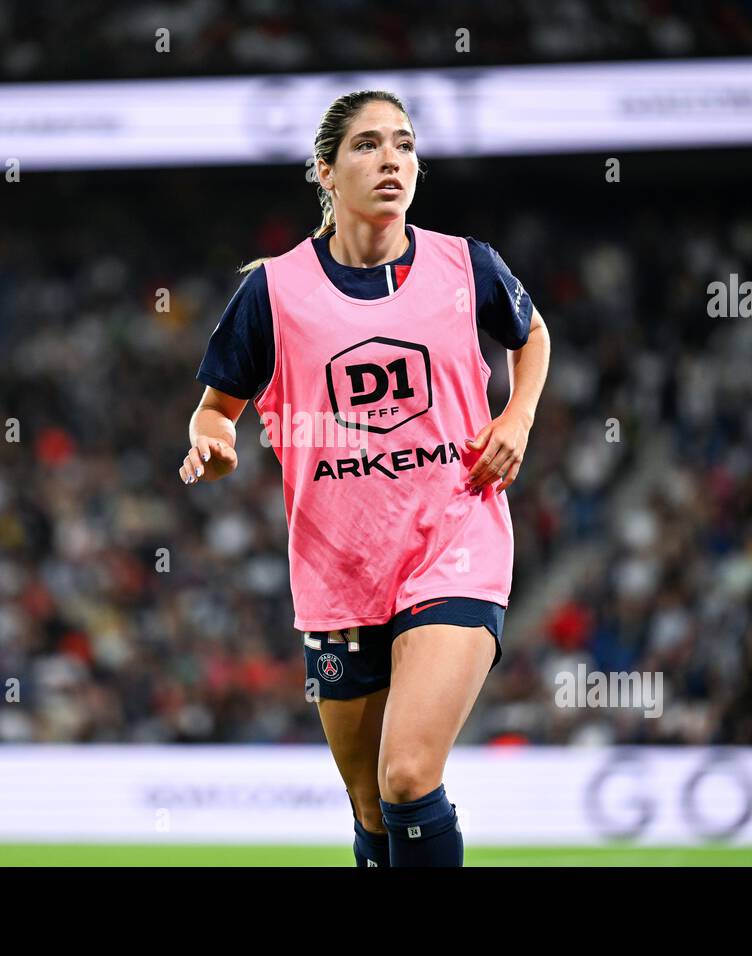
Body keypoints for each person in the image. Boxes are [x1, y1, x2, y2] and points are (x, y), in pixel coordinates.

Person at [181, 90, 550, 866]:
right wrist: (213, 442)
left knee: (409, 775)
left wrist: (515, 420)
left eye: (406, 145)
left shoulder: (464, 264)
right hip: (339, 571)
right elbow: (216, 408)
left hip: (455, 542)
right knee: (371, 810)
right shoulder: (274, 293)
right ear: (325, 170)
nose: (393, 160)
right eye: (369, 145)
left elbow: (533, 334)